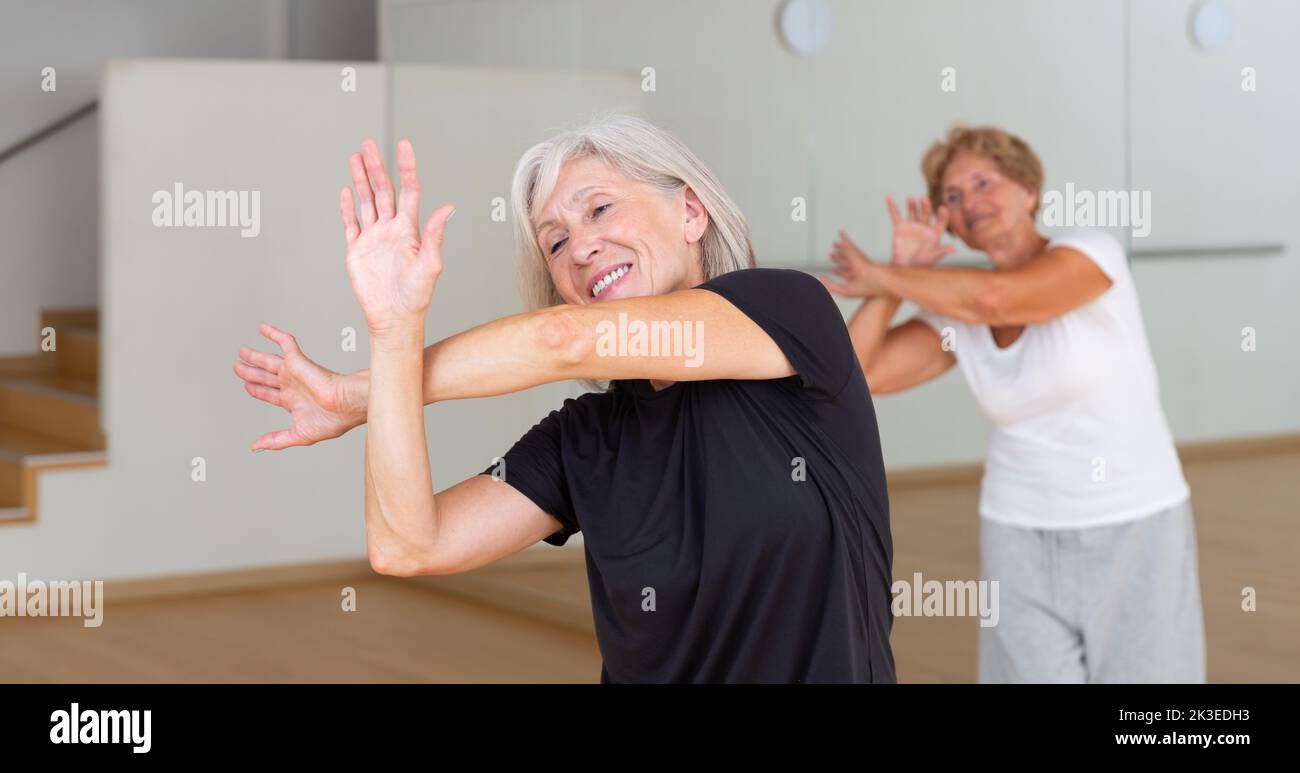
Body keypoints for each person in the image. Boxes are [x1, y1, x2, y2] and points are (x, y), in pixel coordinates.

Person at [234, 115, 895, 683]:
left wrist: (358, 395)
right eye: (553, 241)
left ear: (690, 212)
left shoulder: (786, 311)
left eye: (600, 208)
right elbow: (407, 545)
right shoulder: (586, 438)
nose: (580, 246)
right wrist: (392, 330)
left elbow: (561, 340)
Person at [823, 125, 1205, 683]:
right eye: (951, 197)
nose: (969, 202)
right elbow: (861, 373)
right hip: (1017, 531)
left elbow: (1001, 299)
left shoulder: (1091, 255)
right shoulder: (959, 312)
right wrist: (896, 280)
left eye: (984, 182)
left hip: (1135, 523)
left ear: (1028, 190)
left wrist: (884, 274)